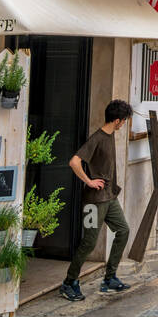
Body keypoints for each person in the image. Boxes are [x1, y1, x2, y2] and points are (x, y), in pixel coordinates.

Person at [60, 99, 133, 301]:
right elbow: (74, 162)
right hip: (94, 201)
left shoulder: (110, 136)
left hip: (109, 198)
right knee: (89, 243)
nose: (124, 124)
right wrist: (89, 181)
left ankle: (110, 278)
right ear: (117, 120)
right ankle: (69, 283)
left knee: (124, 230)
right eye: (124, 121)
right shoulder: (98, 138)